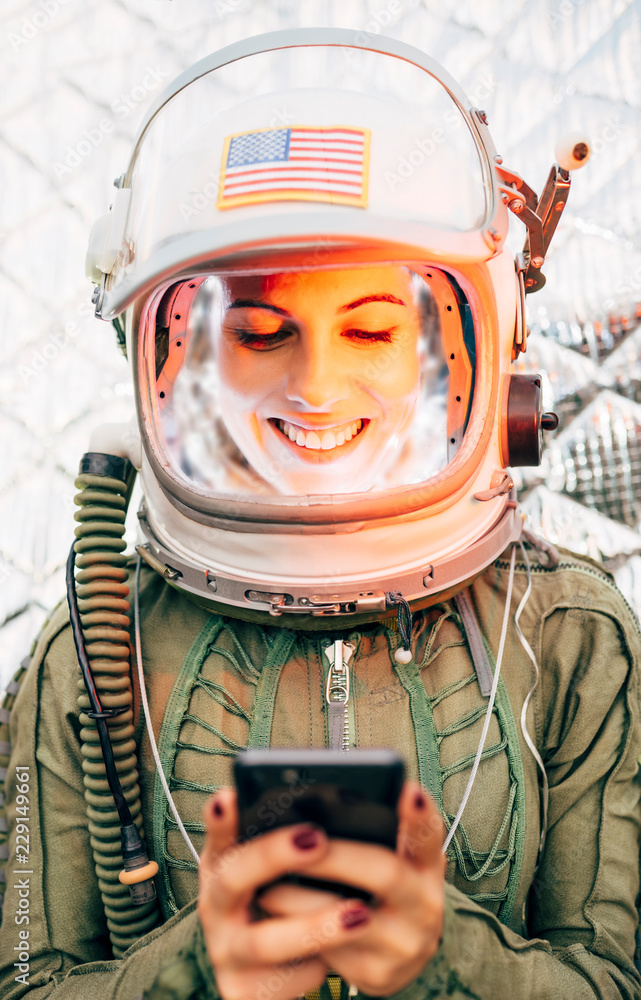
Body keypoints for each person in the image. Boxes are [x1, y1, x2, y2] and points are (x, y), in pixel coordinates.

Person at [1, 27, 640, 1000]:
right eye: (259, 331)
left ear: (473, 346)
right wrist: (200, 969)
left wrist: (440, 955)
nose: (313, 385)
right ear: (177, 359)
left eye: (372, 328)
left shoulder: (568, 631)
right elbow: (23, 973)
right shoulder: (89, 647)